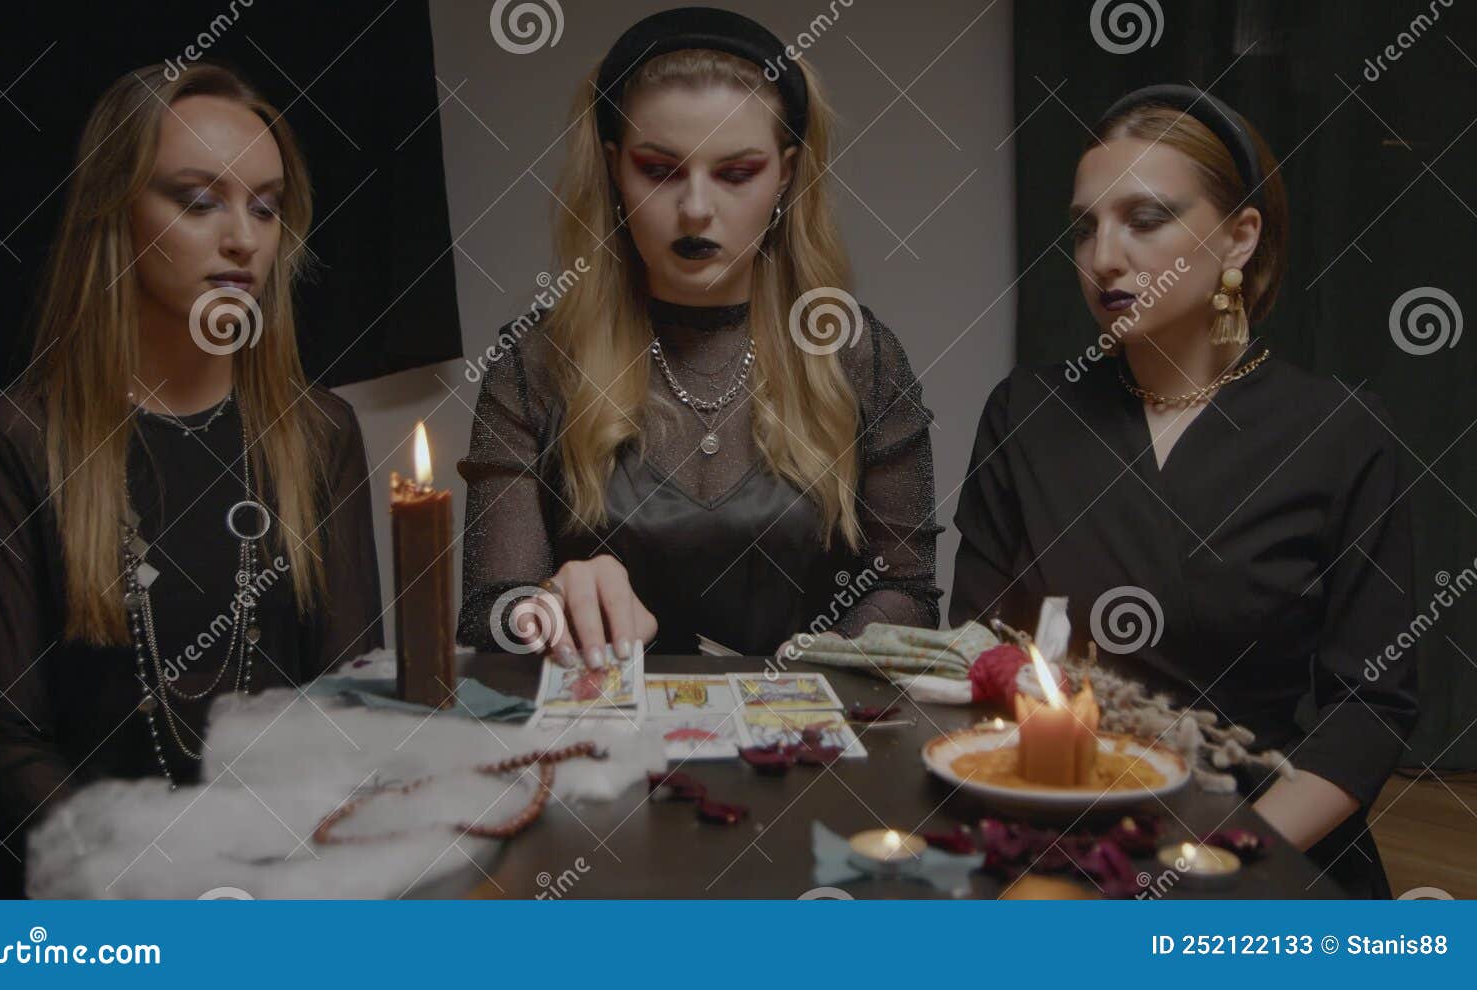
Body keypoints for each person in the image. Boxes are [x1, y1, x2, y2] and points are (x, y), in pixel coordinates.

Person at [949, 85, 1417, 897]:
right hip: (1062, 831)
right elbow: (978, 658)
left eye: (1146, 218)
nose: (1104, 257)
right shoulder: (1028, 412)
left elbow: (1370, 711)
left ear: (1238, 238)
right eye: (1085, 226)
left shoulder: (1338, 431)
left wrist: (1224, 858)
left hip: (1263, 843)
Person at [0, 64, 383, 897]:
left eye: (265, 204)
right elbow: (4, 740)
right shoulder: (17, 440)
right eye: (197, 200)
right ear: (116, 216)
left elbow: (345, 696)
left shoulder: (319, 432)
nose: (245, 240)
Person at [456, 7, 941, 664]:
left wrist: (792, 676)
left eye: (736, 173)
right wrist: (538, 606)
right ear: (613, 169)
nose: (695, 209)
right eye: (659, 169)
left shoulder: (858, 357)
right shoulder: (534, 362)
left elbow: (908, 590)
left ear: (786, 174)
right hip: (598, 750)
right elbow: (487, 612)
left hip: (806, 747)